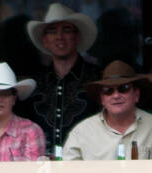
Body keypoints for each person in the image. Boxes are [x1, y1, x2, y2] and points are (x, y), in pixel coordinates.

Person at [21, 3, 99, 157]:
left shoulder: (97, 79)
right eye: (52, 31)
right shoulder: (35, 83)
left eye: (66, 30)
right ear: (45, 41)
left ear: (77, 37)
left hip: (86, 165)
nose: (59, 37)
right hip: (41, 168)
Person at [64, 62, 152, 160]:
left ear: (136, 95)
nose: (116, 95)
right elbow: (67, 172)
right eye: (108, 90)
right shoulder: (81, 132)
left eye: (124, 88)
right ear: (102, 98)